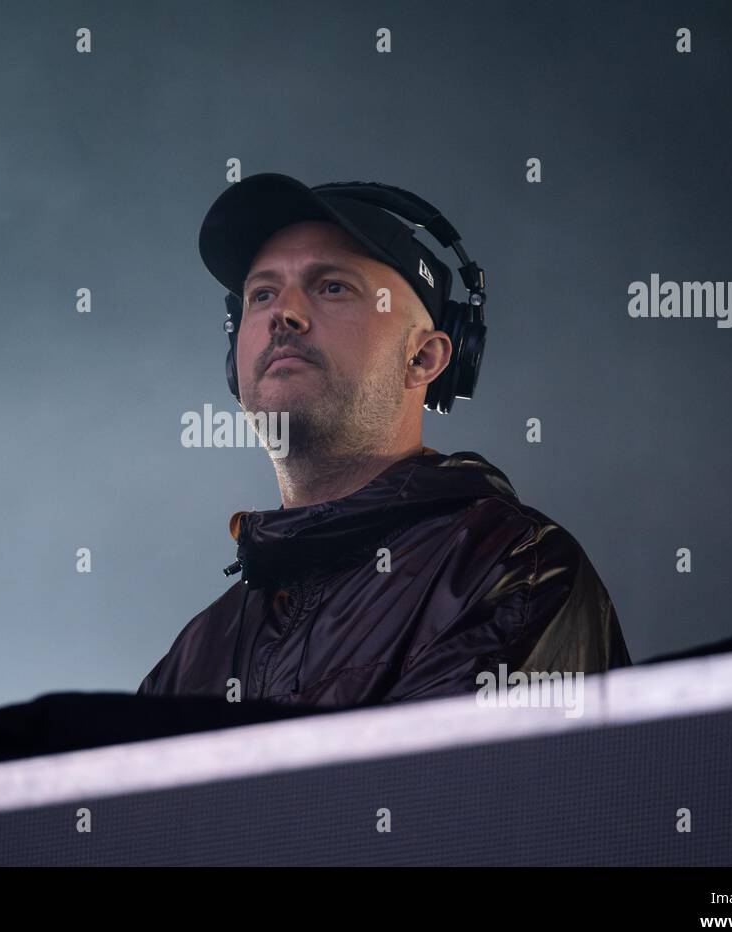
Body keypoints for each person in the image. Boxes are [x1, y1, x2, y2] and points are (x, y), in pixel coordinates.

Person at [137, 173, 631, 706]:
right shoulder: (192, 657)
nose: (283, 313)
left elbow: (439, 789)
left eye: (333, 287)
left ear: (425, 358)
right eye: (262, 294)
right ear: (235, 371)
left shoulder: (510, 568)